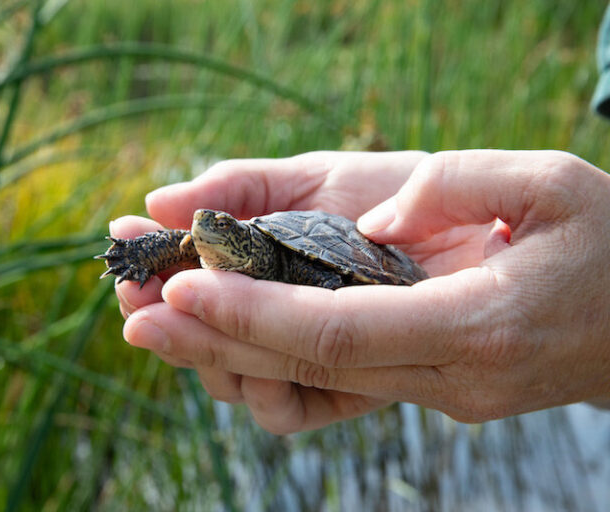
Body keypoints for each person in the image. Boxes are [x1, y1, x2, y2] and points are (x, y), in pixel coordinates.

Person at [110, 8, 610, 434]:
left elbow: (321, 270)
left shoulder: (274, 254)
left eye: (217, 222)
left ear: (238, 233)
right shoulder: (210, 243)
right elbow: (186, 240)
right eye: (209, 226)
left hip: (372, 263)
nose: (204, 225)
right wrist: (140, 255)